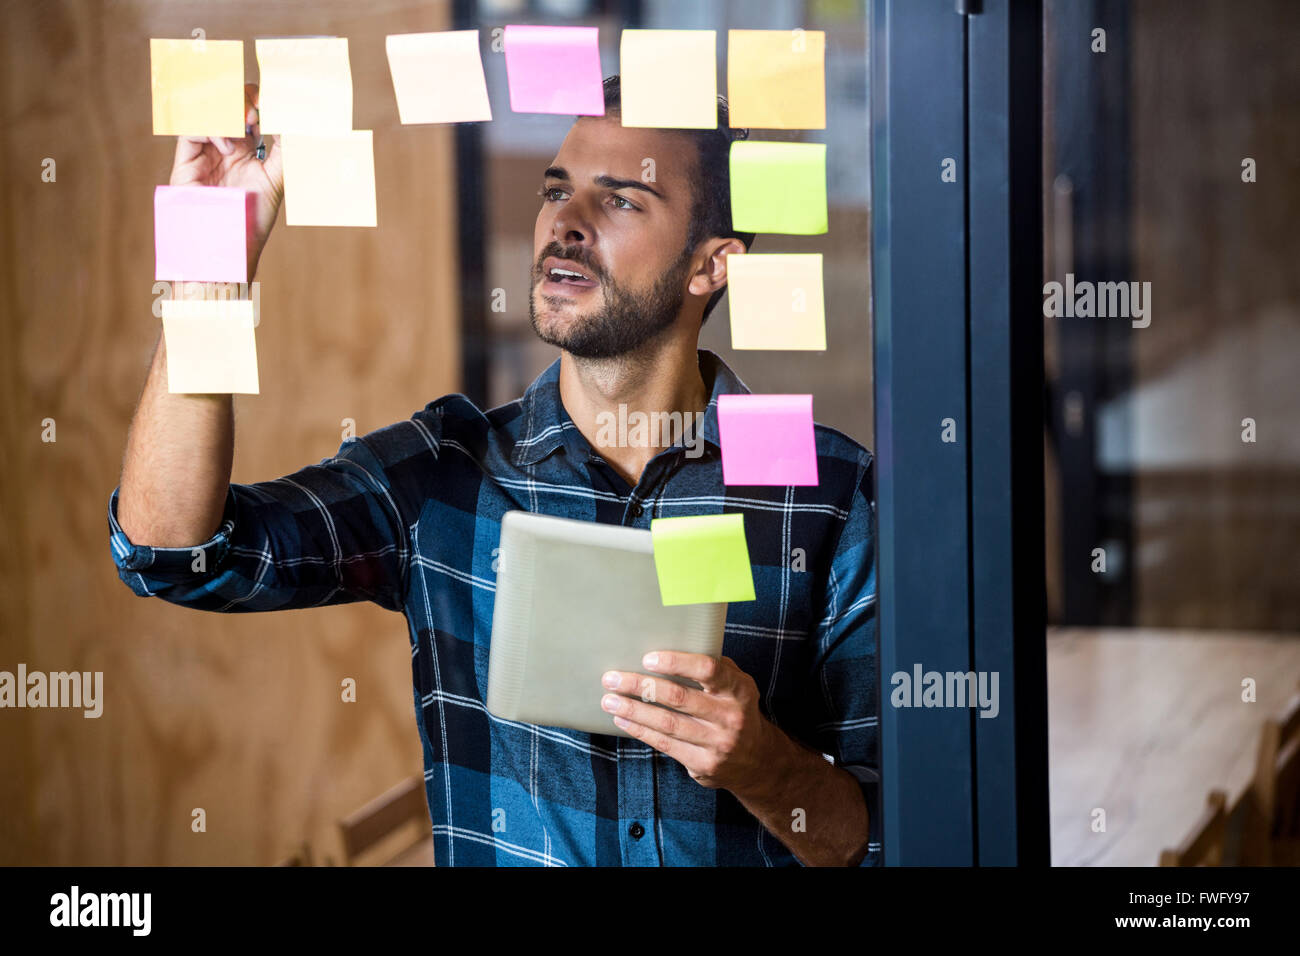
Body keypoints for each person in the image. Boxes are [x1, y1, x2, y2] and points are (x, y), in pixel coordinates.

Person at [110, 74, 880, 867]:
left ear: (710, 267)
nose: (565, 223)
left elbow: (887, 835)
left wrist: (763, 765)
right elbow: (174, 553)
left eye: (620, 200)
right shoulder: (447, 469)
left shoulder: (822, 489)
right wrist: (207, 282)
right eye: (558, 190)